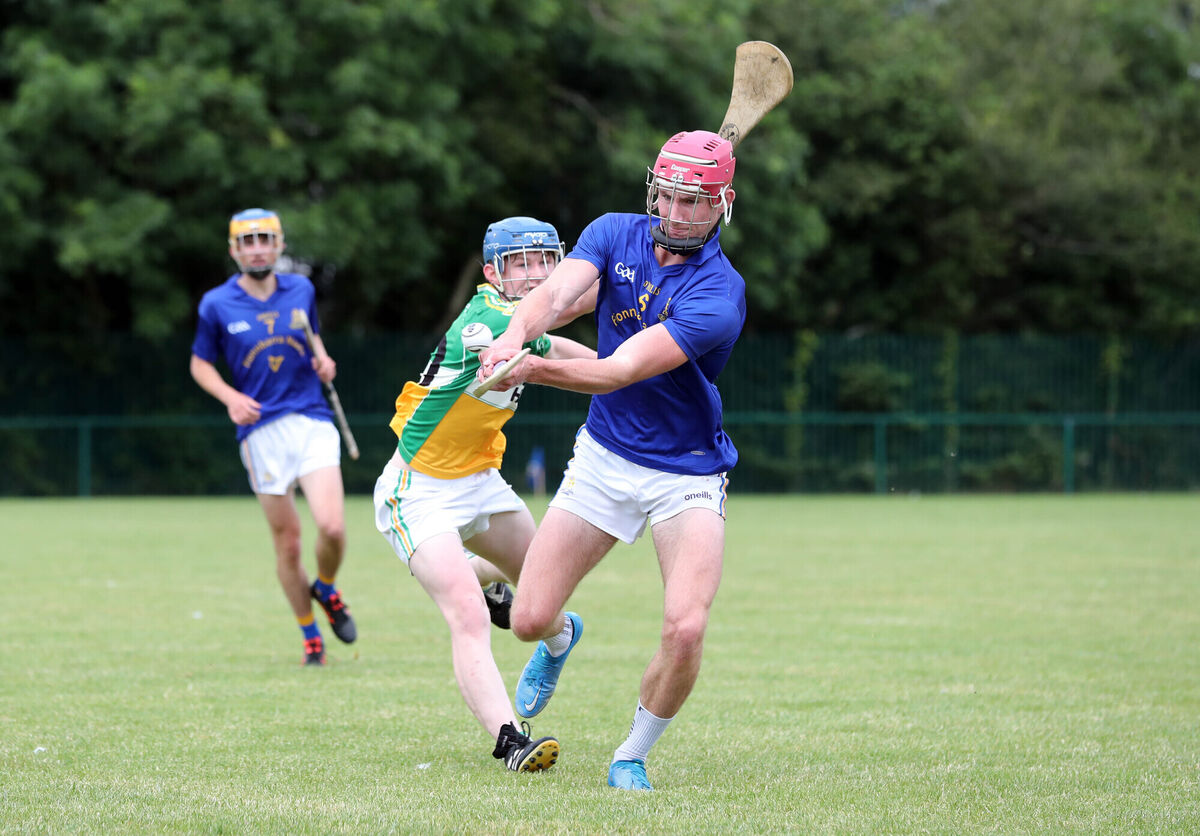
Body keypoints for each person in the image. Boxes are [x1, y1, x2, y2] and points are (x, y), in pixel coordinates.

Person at [478, 131, 746, 791]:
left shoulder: (719, 294)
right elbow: (556, 297)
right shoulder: (612, 232)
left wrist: (531, 368)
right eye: (670, 196)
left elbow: (618, 370)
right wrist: (516, 330)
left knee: (685, 626)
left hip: (685, 471)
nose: (679, 213)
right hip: (604, 458)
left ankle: (631, 753)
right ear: (652, 190)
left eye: (696, 201)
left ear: (724, 204)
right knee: (528, 619)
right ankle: (560, 639)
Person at [372, 216, 595, 773]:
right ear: (493, 271)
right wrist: (615, 374)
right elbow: (550, 330)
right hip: (418, 489)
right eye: (522, 262)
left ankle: (561, 635)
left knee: (545, 592)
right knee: (467, 614)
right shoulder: (488, 319)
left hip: (481, 483)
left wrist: (623, 367)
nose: (538, 273)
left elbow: (563, 322)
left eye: (547, 260)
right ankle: (510, 741)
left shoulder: (524, 316)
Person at [190, 208, 356, 667]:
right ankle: (310, 637)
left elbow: (314, 341)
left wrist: (325, 362)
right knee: (287, 543)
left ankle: (324, 585)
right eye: (248, 241)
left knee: (333, 527)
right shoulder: (216, 304)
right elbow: (200, 364)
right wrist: (229, 397)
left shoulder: (301, 289)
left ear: (280, 245)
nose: (258, 247)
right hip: (259, 429)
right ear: (234, 250)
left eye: (266, 238)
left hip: (311, 418)